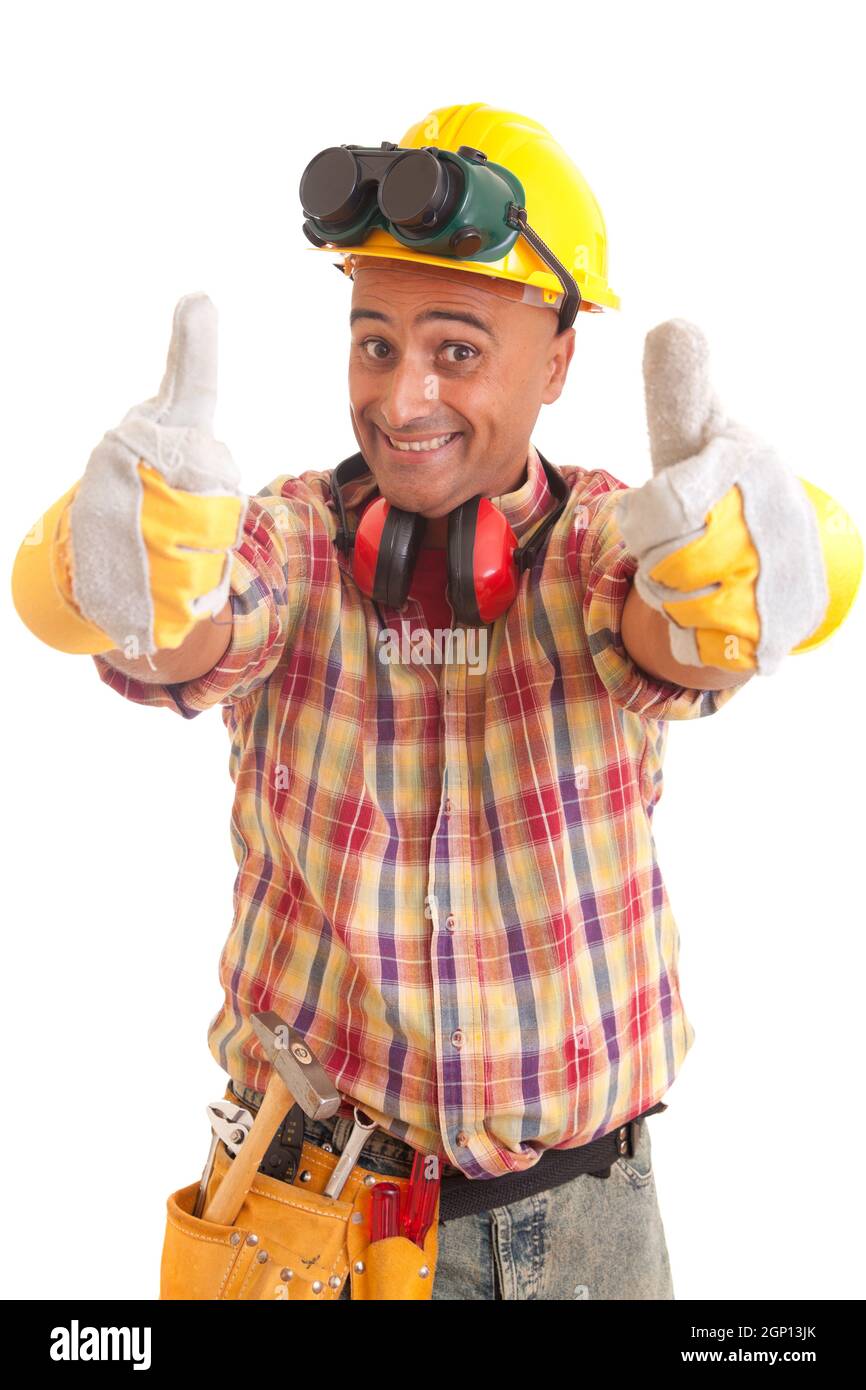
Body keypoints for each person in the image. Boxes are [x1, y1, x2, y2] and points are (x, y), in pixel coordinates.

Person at [11, 104, 859, 1301]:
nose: (402, 396)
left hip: (590, 1230)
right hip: (313, 1219)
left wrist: (721, 588)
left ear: (557, 359)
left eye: (456, 349)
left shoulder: (612, 547)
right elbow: (196, 624)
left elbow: (672, 641)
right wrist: (144, 579)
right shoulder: (294, 540)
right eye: (374, 343)